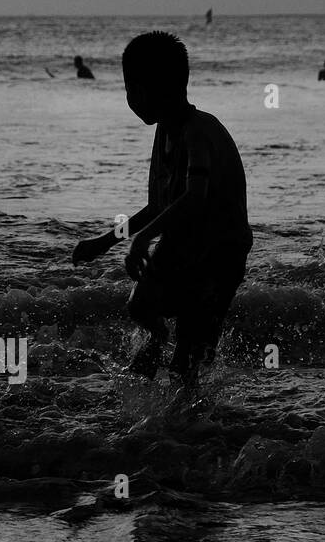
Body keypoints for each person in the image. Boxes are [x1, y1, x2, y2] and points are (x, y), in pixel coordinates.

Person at [71, 31, 252, 388]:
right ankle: (157, 341)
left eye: (131, 89)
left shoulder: (198, 131)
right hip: (184, 241)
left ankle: (197, 431)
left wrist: (143, 240)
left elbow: (195, 195)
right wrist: (104, 242)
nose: (130, 98)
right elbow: (158, 205)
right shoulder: (164, 132)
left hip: (221, 251)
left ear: (151, 90)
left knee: (191, 353)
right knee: (140, 306)